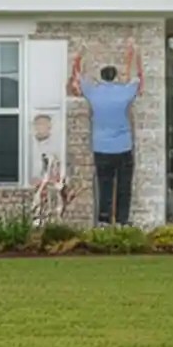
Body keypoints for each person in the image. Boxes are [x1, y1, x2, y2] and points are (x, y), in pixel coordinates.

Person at [69, 38, 144, 226]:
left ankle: (103, 220)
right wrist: (134, 54)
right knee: (124, 187)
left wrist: (80, 55)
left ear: (101, 77)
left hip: (101, 147)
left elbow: (77, 75)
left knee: (104, 184)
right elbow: (139, 78)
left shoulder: (93, 92)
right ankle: (122, 220)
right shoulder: (124, 92)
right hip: (124, 147)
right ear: (115, 77)